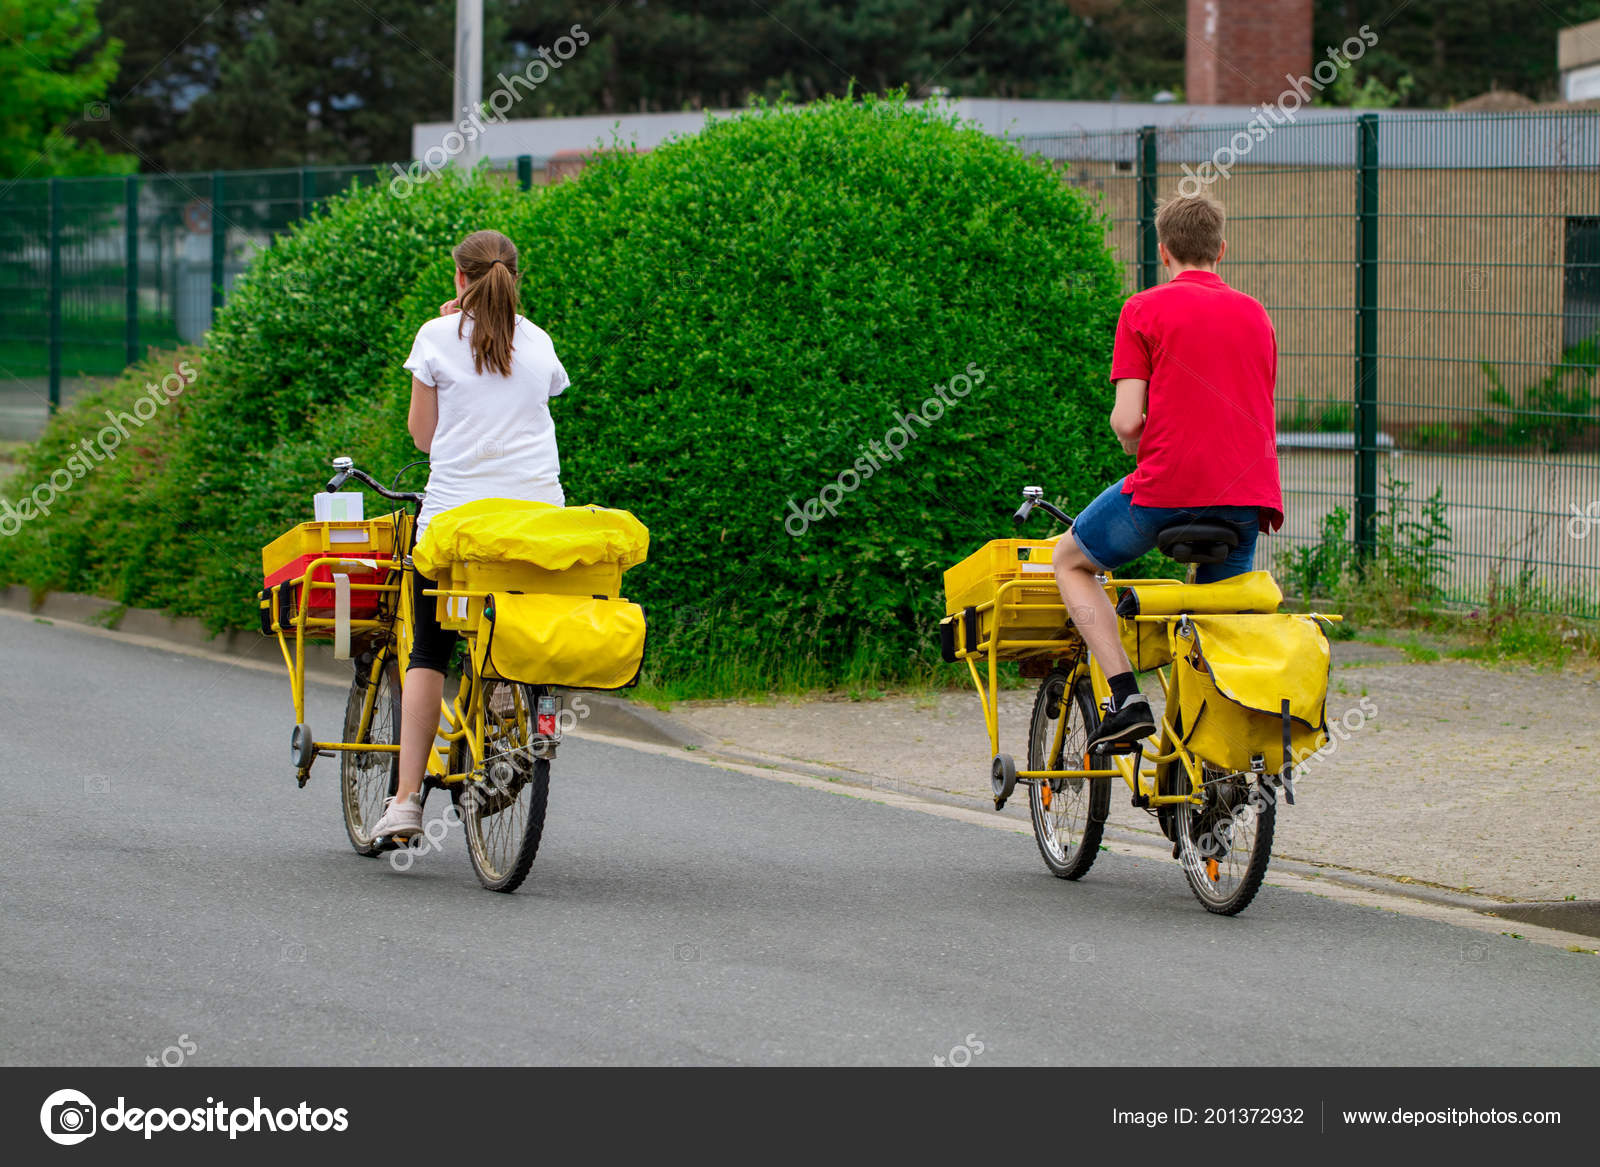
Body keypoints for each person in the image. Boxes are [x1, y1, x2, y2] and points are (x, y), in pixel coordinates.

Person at [1052, 193, 1283, 753]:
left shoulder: (1143, 310)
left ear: (1163, 252)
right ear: (1221, 250)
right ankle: (1209, 757)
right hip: (1245, 499)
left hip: (1166, 492)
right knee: (1216, 618)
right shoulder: (1256, 314)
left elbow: (1128, 421)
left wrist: (1137, 439)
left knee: (1069, 561)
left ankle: (1127, 699)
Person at [370, 229, 571, 841]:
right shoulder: (539, 341)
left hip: (459, 525)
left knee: (429, 650)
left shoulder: (434, 338)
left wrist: (448, 327)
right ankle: (515, 697)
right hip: (540, 527)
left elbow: (424, 438)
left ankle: (405, 802)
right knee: (516, 619)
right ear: (514, 278)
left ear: (460, 279)